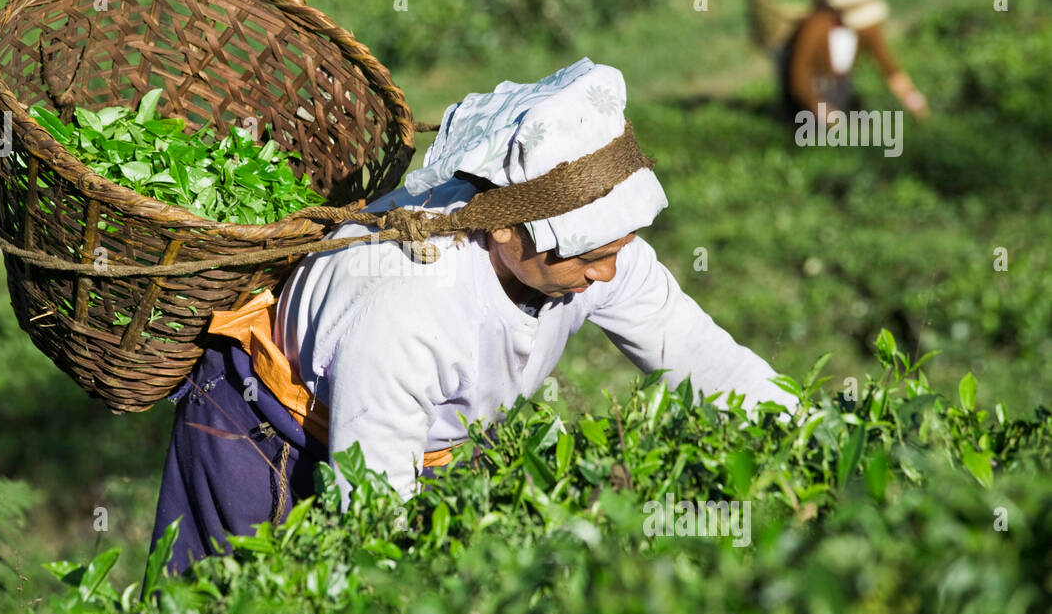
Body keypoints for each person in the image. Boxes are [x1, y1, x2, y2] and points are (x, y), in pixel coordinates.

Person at [150, 58, 799, 574]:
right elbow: (373, 509)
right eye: (589, 258)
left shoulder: (599, 255)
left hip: (431, 448)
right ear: (508, 234)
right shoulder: (407, 306)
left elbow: (699, 355)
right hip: (264, 436)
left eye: (615, 250)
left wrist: (808, 435)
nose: (607, 273)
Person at [778, 0, 929, 125]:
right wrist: (820, 109)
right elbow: (800, 74)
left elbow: (889, 67)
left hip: (839, 86)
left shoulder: (868, 30)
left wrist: (913, 100)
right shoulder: (817, 27)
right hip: (812, 91)